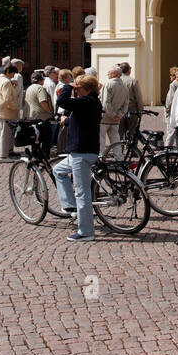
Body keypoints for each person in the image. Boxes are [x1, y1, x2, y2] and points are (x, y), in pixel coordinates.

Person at [54, 73, 104, 241]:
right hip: (81, 151)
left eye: (78, 88)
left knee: (82, 193)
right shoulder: (90, 102)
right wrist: (66, 121)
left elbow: (62, 101)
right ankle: (71, 207)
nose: (76, 91)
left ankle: (86, 232)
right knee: (59, 170)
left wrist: (68, 86)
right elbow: (82, 121)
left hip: (82, 152)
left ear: (85, 89)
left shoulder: (87, 101)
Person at [0, 64, 23, 162]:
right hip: (5, 110)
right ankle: (3, 156)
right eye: (13, 73)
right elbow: (7, 99)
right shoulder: (6, 82)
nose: (13, 76)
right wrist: (15, 108)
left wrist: (11, 84)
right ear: (8, 71)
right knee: (5, 134)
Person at [99, 66, 129, 152]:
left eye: (109, 72)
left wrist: (112, 115)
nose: (107, 74)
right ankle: (119, 158)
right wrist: (119, 115)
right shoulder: (124, 86)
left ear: (114, 74)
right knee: (116, 140)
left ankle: (100, 158)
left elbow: (106, 103)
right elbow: (126, 104)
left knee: (101, 140)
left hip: (105, 117)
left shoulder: (108, 84)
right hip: (116, 119)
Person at [119, 62, 144, 136]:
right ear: (129, 70)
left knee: (120, 132)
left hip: (120, 110)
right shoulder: (133, 81)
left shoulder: (117, 80)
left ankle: (120, 147)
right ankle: (132, 147)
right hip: (131, 109)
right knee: (132, 131)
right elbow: (138, 97)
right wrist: (140, 109)